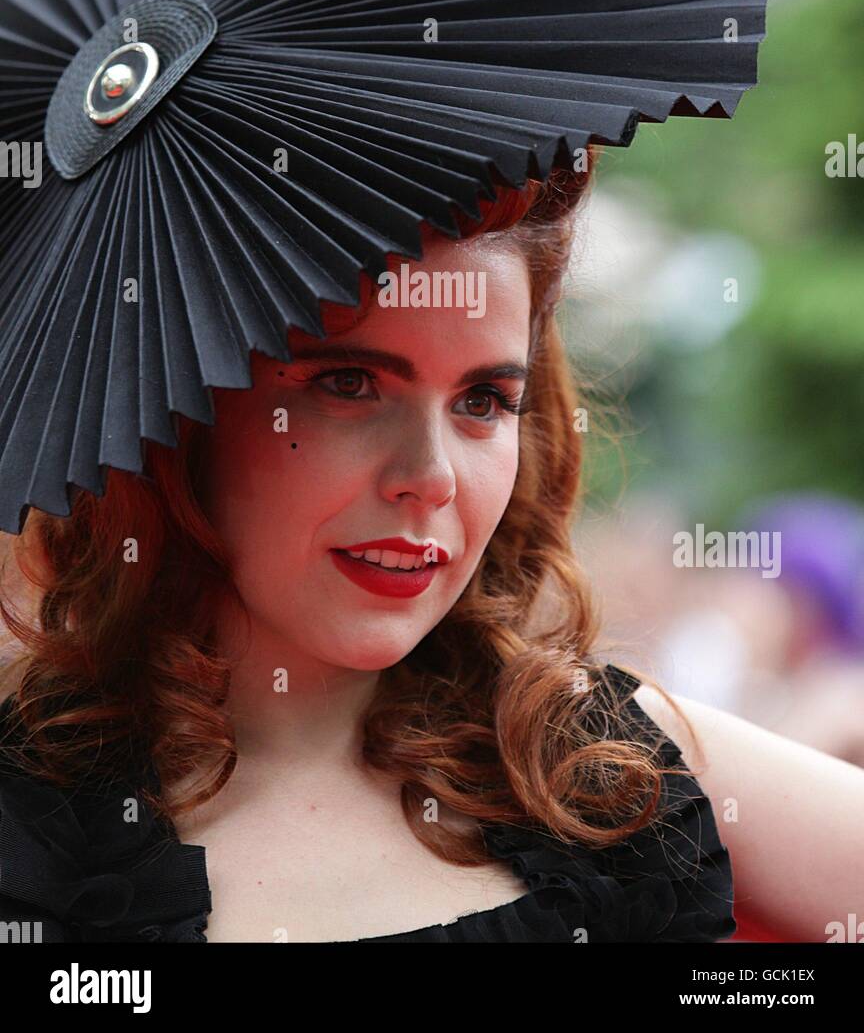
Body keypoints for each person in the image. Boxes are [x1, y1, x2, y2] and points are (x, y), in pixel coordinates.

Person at [0, 158, 861, 944]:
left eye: (484, 400)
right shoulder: (33, 833)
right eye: (348, 384)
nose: (431, 477)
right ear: (182, 406)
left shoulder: (608, 764)